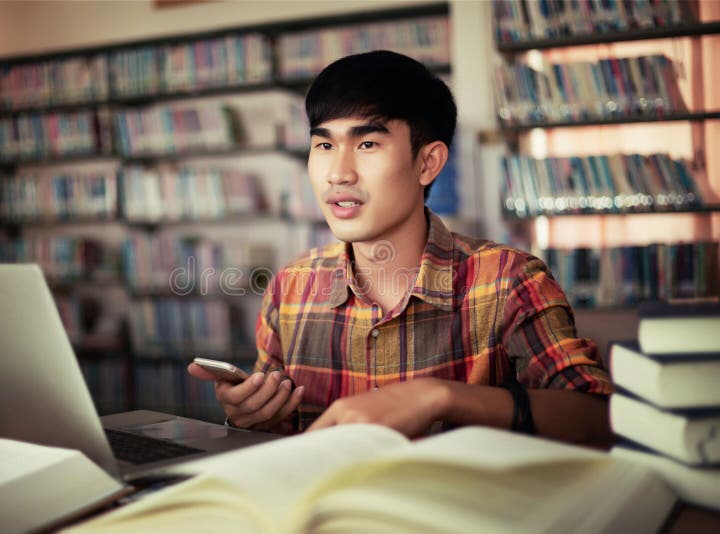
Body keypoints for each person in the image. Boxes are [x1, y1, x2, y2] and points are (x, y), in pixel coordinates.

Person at [188, 50, 613, 444]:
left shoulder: (510, 279)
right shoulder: (290, 288)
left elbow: (598, 418)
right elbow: (279, 443)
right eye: (324, 145)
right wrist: (252, 417)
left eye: (367, 144)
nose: (337, 173)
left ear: (427, 163)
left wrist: (440, 397)